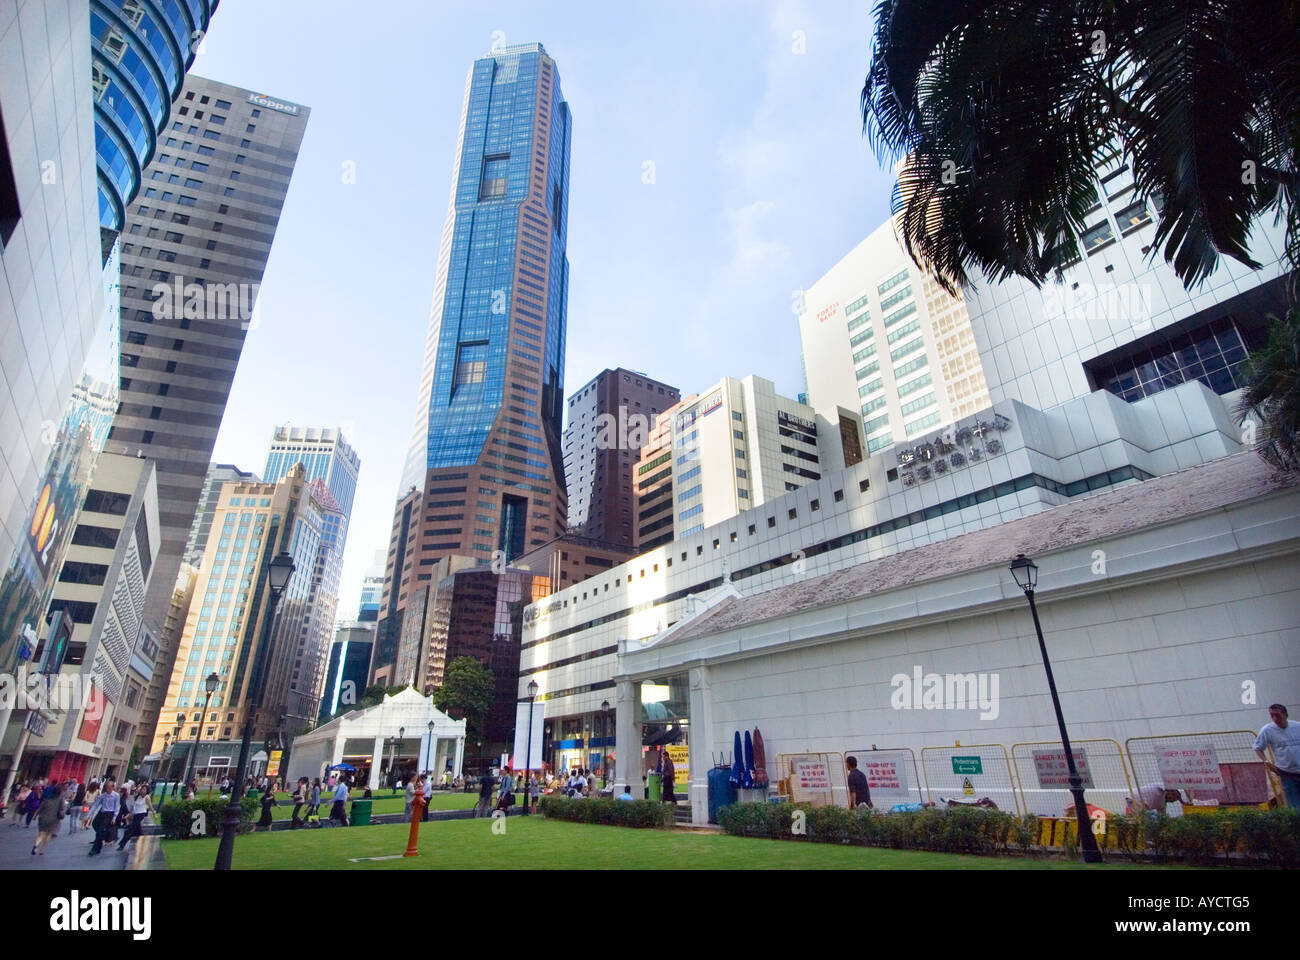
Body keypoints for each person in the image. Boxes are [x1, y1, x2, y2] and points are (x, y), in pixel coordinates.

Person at [1255, 703, 1300, 809]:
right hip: (1286, 772)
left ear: (1285, 714)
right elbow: (1258, 747)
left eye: (1277, 715)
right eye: (1272, 715)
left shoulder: (1297, 727)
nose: (1275, 718)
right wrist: (1267, 762)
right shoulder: (1267, 730)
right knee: (1294, 805)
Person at [87, 778, 121, 856]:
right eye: (106, 788)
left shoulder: (116, 796)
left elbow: (117, 806)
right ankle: (105, 836)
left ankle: (96, 849)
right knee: (95, 824)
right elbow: (95, 805)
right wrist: (88, 815)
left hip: (109, 814)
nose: (108, 790)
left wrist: (114, 817)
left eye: (109, 788)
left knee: (100, 832)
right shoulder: (103, 796)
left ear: (113, 788)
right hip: (102, 812)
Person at [32, 784, 65, 855]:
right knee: (48, 835)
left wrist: (35, 815)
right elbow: (62, 809)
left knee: (41, 834)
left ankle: (36, 845)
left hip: (43, 818)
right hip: (53, 819)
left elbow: (40, 808)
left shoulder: (47, 798)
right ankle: (41, 850)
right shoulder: (61, 799)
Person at [117, 785, 152, 851]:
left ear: (147, 791)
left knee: (130, 830)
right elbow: (134, 809)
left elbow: (150, 806)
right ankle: (145, 842)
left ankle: (122, 844)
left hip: (141, 814)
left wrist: (154, 814)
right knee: (138, 831)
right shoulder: (138, 797)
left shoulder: (147, 797)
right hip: (136, 815)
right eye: (142, 789)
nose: (142, 790)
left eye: (144, 789)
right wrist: (129, 815)